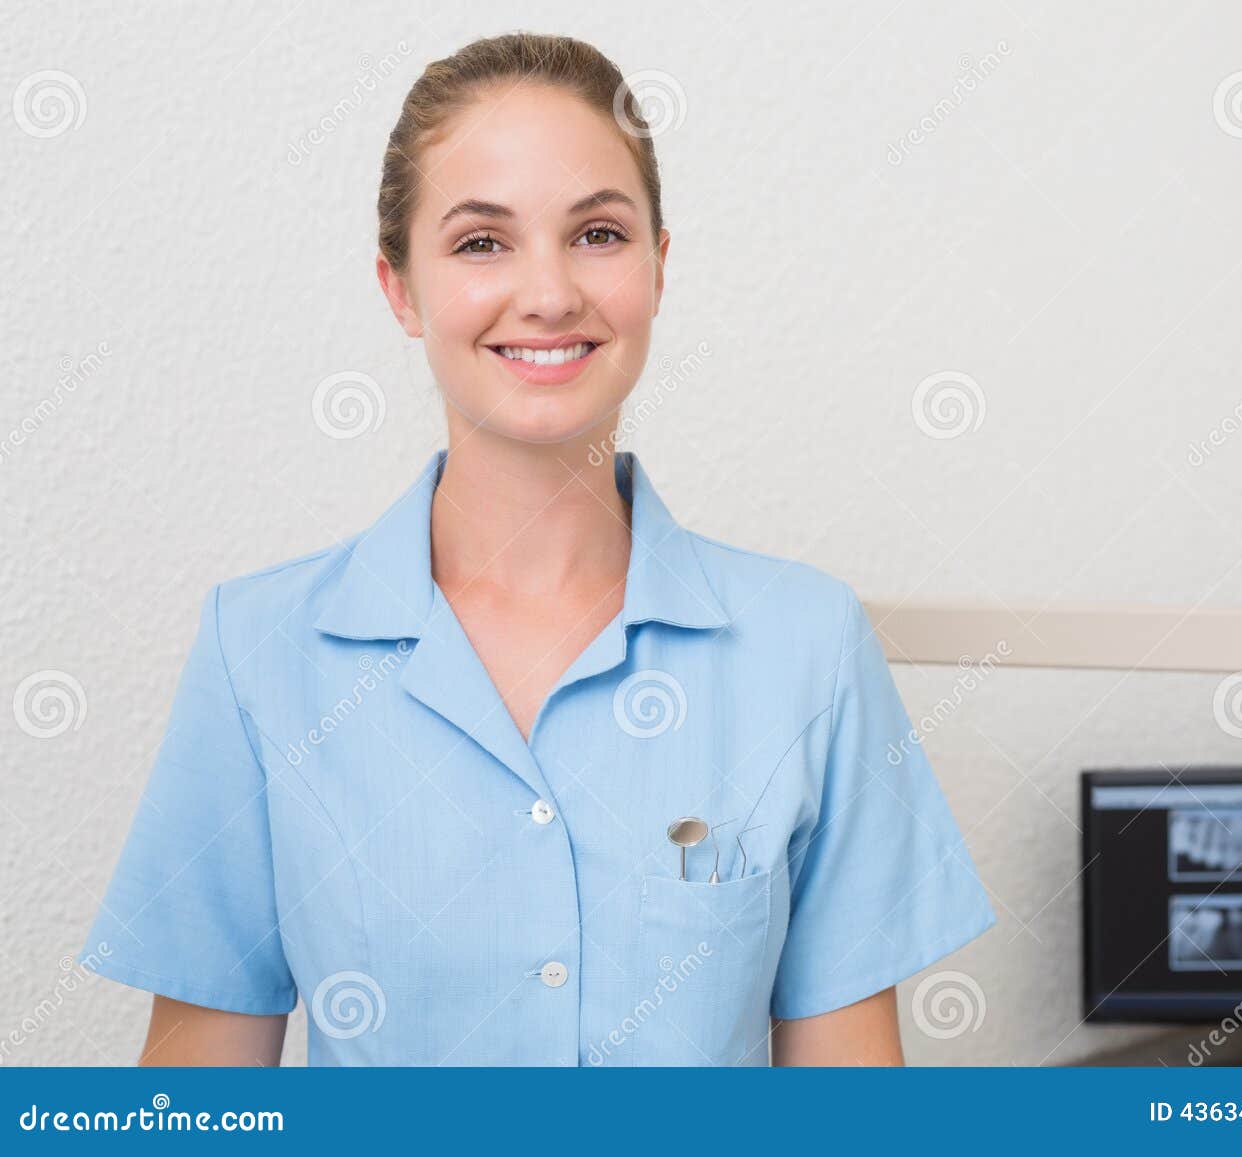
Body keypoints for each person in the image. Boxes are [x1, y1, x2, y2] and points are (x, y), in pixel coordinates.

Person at [79, 31, 995, 1067]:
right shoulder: (260, 652)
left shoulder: (808, 646)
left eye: (598, 233)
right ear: (400, 288)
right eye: (481, 242)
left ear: (659, 263)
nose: (550, 292)